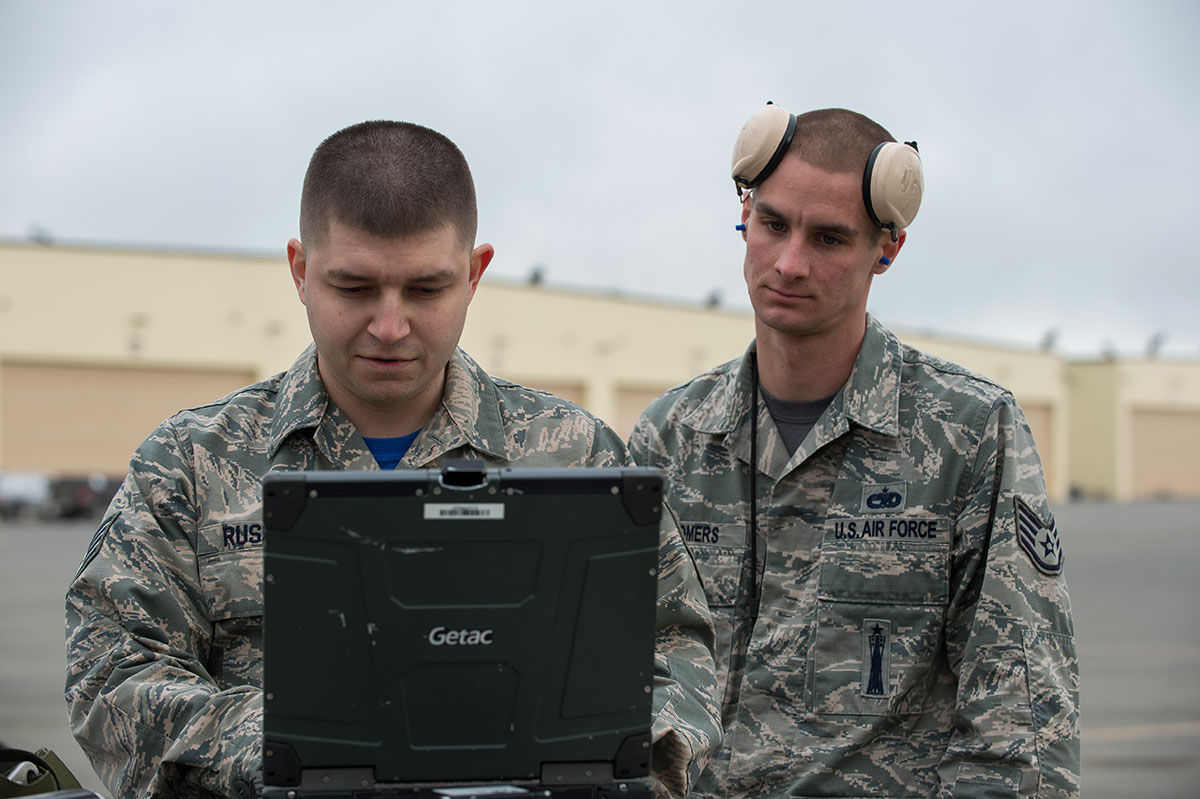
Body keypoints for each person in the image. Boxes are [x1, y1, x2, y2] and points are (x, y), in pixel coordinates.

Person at [65, 121, 721, 799]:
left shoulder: (575, 455)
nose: (388, 326)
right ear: (299, 269)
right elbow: (112, 671)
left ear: (474, 274)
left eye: (425, 290)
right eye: (353, 288)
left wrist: (606, 771)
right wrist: (292, 751)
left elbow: (676, 649)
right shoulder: (190, 465)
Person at [629, 105, 1079, 798]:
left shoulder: (968, 433)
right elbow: (622, 683)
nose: (789, 262)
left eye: (830, 238)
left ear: (888, 249)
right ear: (744, 212)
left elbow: (1019, 730)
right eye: (773, 223)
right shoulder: (670, 436)